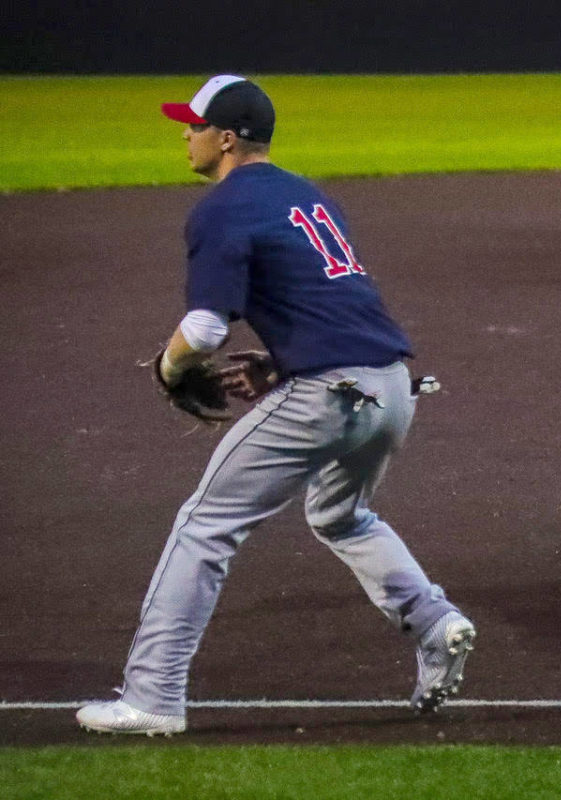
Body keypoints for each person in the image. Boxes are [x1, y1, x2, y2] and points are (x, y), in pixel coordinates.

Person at [76, 75, 475, 735]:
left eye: (194, 124)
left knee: (204, 527)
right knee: (341, 515)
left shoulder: (220, 207)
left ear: (226, 138)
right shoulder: (307, 195)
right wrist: (279, 359)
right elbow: (331, 301)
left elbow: (205, 328)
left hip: (330, 394)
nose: (186, 134)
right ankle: (434, 622)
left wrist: (170, 367)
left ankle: (152, 697)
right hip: (392, 387)